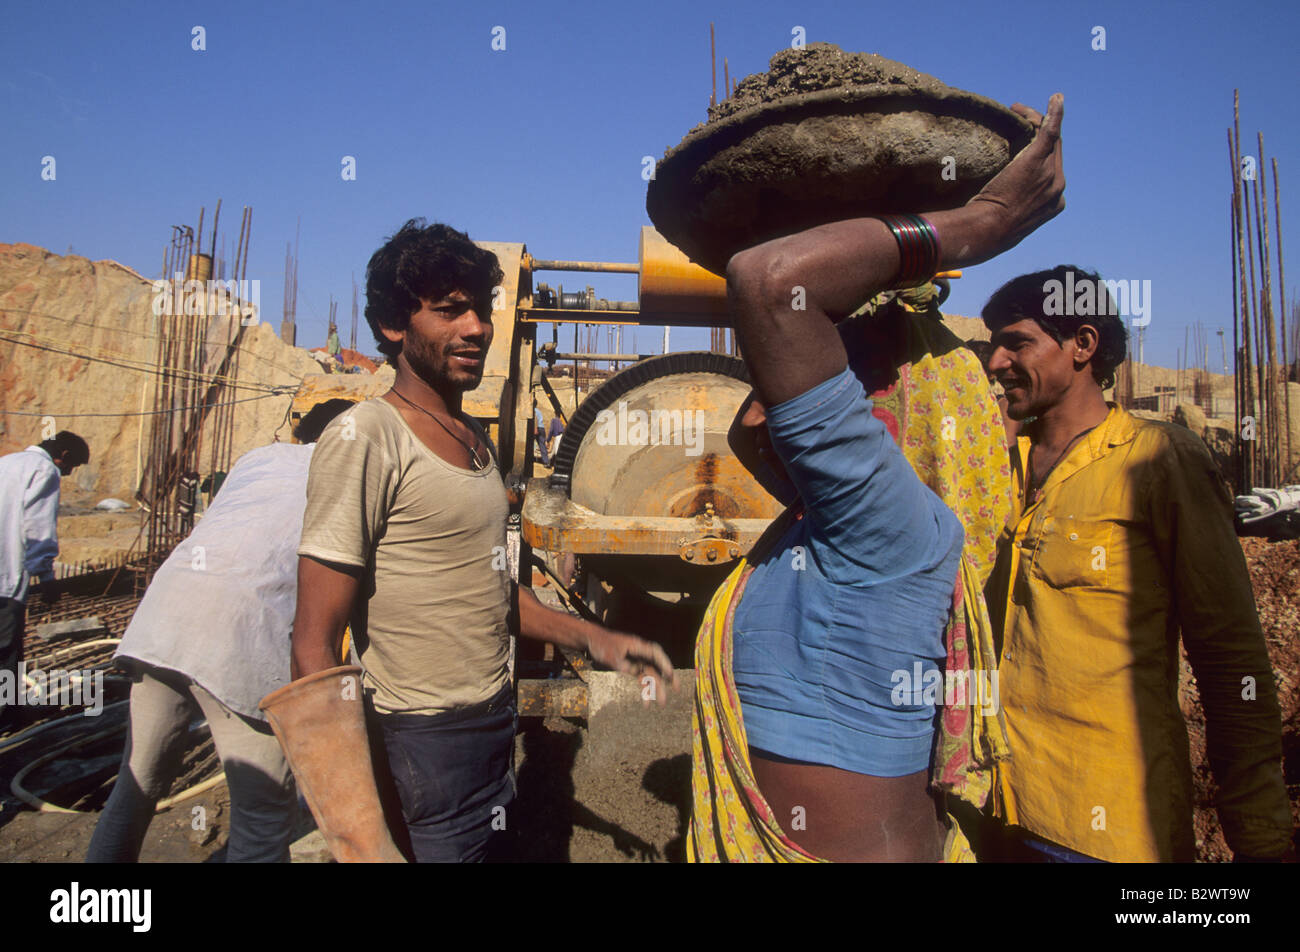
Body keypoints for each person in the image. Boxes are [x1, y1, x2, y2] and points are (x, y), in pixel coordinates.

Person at [688, 93, 1067, 862]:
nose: (758, 415)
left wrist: (982, 222)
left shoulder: (893, 532)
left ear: (884, 422)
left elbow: (769, 283)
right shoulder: (815, 536)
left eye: (800, 394)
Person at [277, 219, 674, 863]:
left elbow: (490, 592)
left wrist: (594, 637)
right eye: (449, 310)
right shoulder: (366, 439)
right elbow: (312, 645)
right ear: (392, 327)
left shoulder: (473, 443)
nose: (477, 328)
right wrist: (355, 827)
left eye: (482, 309)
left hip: (492, 722)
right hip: (419, 739)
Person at [979, 265, 1292, 863]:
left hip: (1101, 831)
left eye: (1016, 342)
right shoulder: (992, 466)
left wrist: (1261, 838)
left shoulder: (1159, 462)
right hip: (989, 804)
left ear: (1083, 344)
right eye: (993, 343)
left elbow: (1231, 657)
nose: (995, 361)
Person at [85, 400, 352, 863]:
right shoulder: (350, 475)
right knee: (264, 817)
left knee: (137, 785)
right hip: (241, 635)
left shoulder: (256, 459)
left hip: (163, 618)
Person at [0, 431, 89, 733]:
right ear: (61, 455)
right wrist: (46, 576)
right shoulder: (44, 470)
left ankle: (12, 709)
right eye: (70, 466)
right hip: (5, 580)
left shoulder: (7, 462)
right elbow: (37, 526)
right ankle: (6, 718)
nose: (67, 473)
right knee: (5, 651)